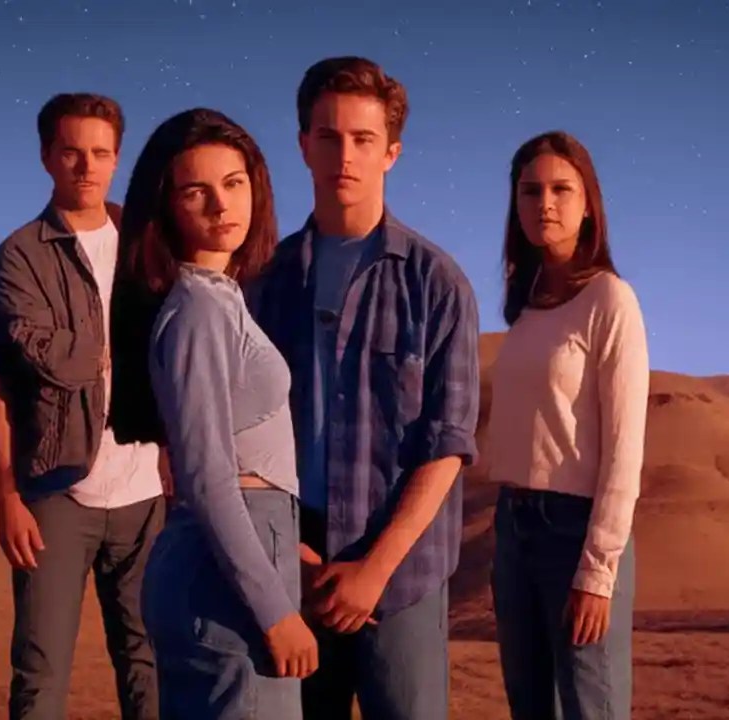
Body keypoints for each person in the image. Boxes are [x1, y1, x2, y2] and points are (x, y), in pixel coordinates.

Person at [247, 56, 481, 720]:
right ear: (303, 146)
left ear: (392, 153)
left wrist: (376, 569)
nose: (344, 155)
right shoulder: (265, 281)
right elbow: (239, 431)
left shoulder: (436, 283)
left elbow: (448, 442)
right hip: (293, 567)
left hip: (400, 572)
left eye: (363, 139)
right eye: (328, 136)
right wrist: (285, 552)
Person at [108, 107, 318, 720]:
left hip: (234, 557)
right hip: (225, 582)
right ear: (166, 205)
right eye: (196, 190)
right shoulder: (198, 310)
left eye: (234, 183)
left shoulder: (221, 299)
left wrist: (287, 548)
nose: (221, 205)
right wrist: (275, 608)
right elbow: (205, 478)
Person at [0, 92, 165, 720]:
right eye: (72, 152)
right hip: (54, 494)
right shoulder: (19, 257)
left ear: (117, 159)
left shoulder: (148, 244)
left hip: (145, 492)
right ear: (48, 156)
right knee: (41, 669)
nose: (87, 166)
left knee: (150, 663)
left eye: (101, 153)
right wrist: (6, 496)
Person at [485, 130, 650, 720]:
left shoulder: (611, 301)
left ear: (588, 205)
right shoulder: (525, 309)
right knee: (529, 707)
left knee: (591, 705)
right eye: (530, 191)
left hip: (576, 532)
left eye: (561, 189)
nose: (544, 204)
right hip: (512, 527)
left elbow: (625, 449)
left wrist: (598, 571)